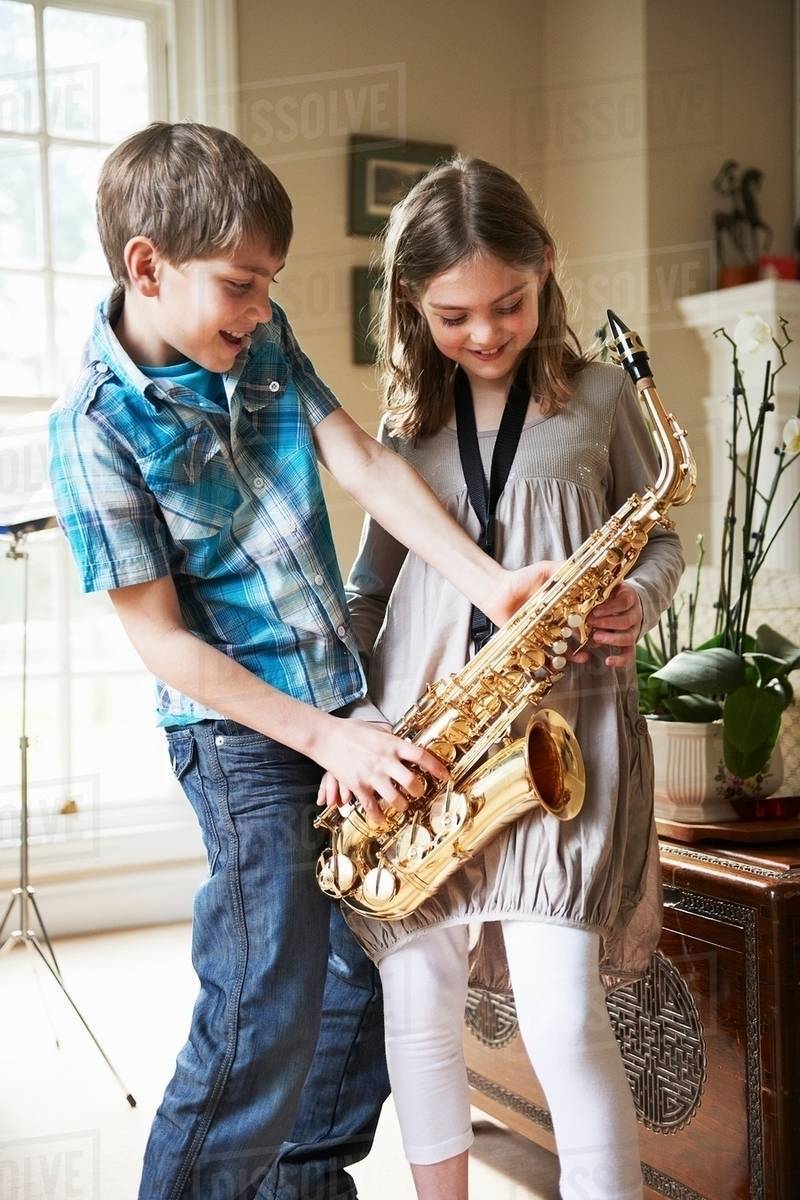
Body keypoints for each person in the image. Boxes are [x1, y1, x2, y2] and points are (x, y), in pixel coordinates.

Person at [47, 124, 546, 1200]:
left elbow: (357, 458)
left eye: (267, 283)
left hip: (345, 708)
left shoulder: (257, 345)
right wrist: (326, 738)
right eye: (239, 284)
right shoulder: (90, 429)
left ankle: (305, 1184)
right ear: (147, 265)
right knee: (261, 1003)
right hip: (243, 739)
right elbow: (163, 642)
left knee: (367, 978)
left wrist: (489, 585)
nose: (261, 309)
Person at [321, 157, 685, 1200]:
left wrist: (640, 600)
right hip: (430, 743)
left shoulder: (606, 397)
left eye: (508, 304)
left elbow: (656, 544)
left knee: (563, 1011)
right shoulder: (399, 432)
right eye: (451, 315)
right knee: (420, 1002)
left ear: (545, 272)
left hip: (566, 735)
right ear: (410, 306)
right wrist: (353, 717)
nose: (483, 333)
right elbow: (364, 593)